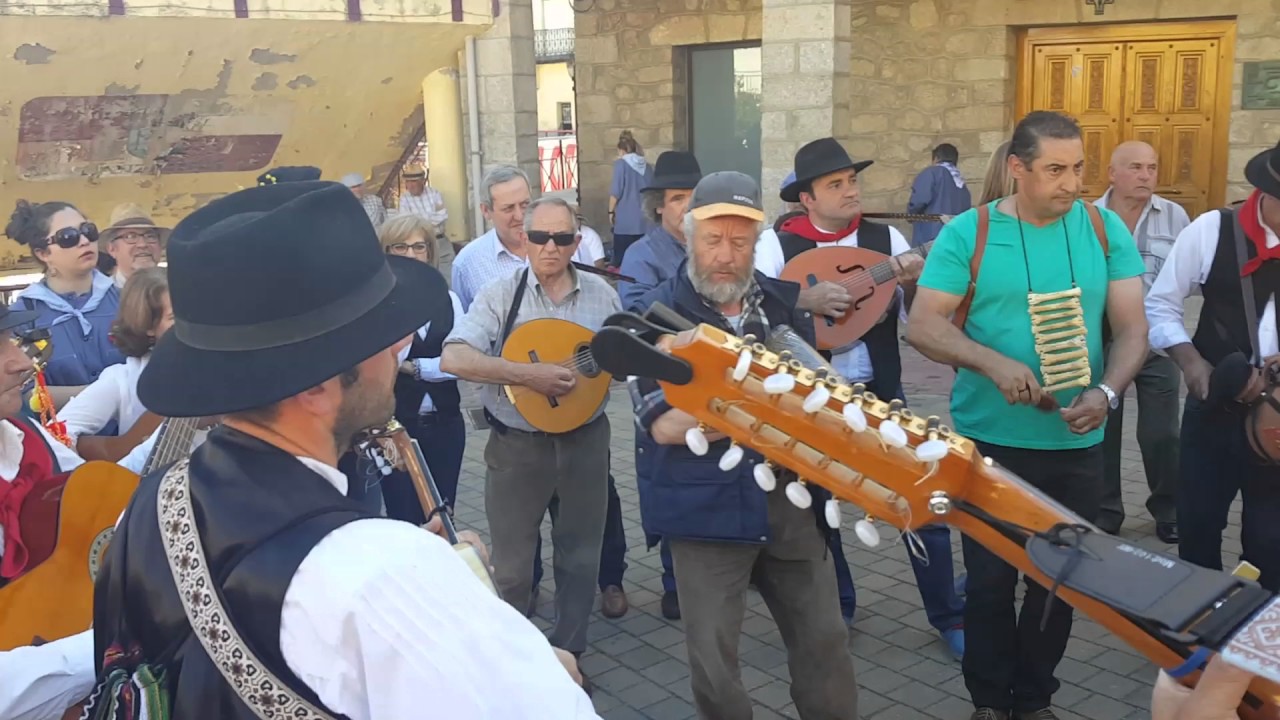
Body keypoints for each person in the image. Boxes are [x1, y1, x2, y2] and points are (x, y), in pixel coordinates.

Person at [86, 180, 595, 717]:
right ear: (316, 385)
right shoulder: (384, 576)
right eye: (378, 334)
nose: (399, 345)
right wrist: (542, 667)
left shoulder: (150, 502)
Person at [906, 110, 1149, 720]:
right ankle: (989, 702)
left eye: (1079, 168)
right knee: (990, 583)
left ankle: (1035, 700)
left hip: (1076, 446)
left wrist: (1108, 392)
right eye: (1055, 170)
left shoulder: (1103, 229)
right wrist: (991, 363)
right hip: (992, 443)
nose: (1072, 183)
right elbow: (925, 325)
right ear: (1017, 168)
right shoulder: (970, 232)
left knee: (1058, 584)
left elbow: (1133, 330)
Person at [630, 171, 859, 719]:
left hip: (792, 502)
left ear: (758, 243)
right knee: (715, 663)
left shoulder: (783, 305)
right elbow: (663, 424)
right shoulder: (652, 315)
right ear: (689, 237)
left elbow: (820, 398)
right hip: (703, 508)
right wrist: (769, 402)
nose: (725, 256)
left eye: (740, 241)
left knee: (826, 642)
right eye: (713, 240)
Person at [755, 137, 965, 661]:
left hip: (880, 391)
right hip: (811, 396)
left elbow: (916, 313)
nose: (851, 191)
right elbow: (756, 306)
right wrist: (803, 298)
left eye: (852, 181)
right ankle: (839, 607)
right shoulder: (775, 245)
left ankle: (949, 615)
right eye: (836, 184)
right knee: (819, 507)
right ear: (807, 198)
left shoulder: (884, 237)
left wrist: (915, 282)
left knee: (918, 497)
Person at [442, 196, 620, 668]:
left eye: (562, 238)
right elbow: (454, 357)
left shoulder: (603, 295)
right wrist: (526, 374)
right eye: (540, 236)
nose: (550, 247)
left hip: (586, 442)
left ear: (576, 243)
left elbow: (620, 367)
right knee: (513, 568)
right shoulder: (501, 295)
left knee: (580, 560)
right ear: (525, 238)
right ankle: (513, 663)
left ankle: (568, 655)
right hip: (517, 448)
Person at [1145, 136, 1280, 589]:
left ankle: (1261, 627)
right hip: (1215, 406)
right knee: (1198, 530)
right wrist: (1190, 363)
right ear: (1269, 194)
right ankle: (1200, 625)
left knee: (1271, 543)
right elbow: (1161, 304)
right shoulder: (1211, 229)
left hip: (1278, 420)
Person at [614, 149, 703, 619]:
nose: (687, 206)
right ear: (659, 206)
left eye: (694, 196)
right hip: (665, 385)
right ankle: (675, 581)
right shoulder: (641, 254)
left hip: (715, 381)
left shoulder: (716, 245)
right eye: (677, 198)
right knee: (670, 480)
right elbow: (638, 317)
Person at [1095, 141, 1190, 542]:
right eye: (1135, 167)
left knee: (1163, 434)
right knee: (1103, 429)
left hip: (1158, 343)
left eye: (1152, 167)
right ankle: (1105, 512)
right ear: (1112, 173)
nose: (1146, 175)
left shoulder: (1176, 216)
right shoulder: (1089, 217)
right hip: (1105, 343)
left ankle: (1169, 509)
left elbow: (1189, 273)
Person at [377, 215, 467, 516]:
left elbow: (460, 362)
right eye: (400, 247)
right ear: (386, 252)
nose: (411, 255)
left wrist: (413, 367)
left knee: (444, 514)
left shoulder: (449, 300)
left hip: (446, 426)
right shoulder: (377, 305)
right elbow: (381, 364)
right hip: (397, 428)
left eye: (419, 247)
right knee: (404, 516)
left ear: (430, 252)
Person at [5, 201, 125, 408]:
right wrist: (103, 394)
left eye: (88, 231)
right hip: (60, 428)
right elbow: (21, 392)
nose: (85, 241)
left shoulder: (125, 299)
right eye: (68, 237)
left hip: (137, 426)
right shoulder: (23, 316)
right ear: (43, 253)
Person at [58, 267, 172, 462]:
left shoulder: (218, 370)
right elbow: (56, 435)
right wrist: (105, 476)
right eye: (175, 317)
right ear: (148, 325)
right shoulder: (122, 379)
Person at [908, 143, 973, 247]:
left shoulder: (932, 173)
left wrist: (910, 215)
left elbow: (919, 201)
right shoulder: (962, 185)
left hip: (932, 236)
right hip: (956, 240)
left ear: (936, 158)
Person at [96, 203, 169, 289]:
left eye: (150, 236)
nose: (142, 244)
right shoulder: (102, 294)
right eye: (130, 237)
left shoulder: (177, 288)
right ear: (112, 249)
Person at [608, 130, 653, 266]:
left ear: (621, 150)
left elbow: (616, 192)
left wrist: (610, 212)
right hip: (645, 222)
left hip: (625, 223)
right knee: (643, 263)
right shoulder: (648, 167)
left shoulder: (621, 165)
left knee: (622, 263)